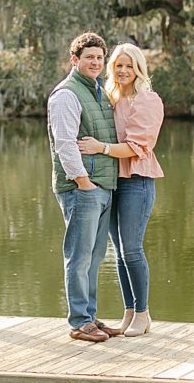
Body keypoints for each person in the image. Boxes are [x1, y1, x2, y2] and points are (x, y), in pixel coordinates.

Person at [79, 42, 164, 337]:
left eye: (130, 65)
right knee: (119, 253)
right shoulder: (110, 99)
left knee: (132, 249)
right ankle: (129, 311)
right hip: (114, 180)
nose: (124, 70)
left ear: (139, 69)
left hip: (137, 181)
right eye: (119, 66)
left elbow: (139, 146)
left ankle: (144, 313)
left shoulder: (148, 100)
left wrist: (100, 148)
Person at [46, 31, 121, 342]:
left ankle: (90, 316)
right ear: (74, 60)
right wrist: (83, 183)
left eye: (100, 58)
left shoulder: (97, 91)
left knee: (94, 257)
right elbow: (65, 144)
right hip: (82, 188)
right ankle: (79, 322)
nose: (96, 62)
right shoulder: (66, 94)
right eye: (89, 57)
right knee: (79, 257)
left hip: (102, 186)